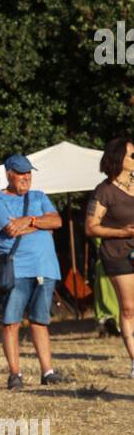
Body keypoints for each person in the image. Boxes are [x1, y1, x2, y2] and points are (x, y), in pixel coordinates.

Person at [0, 154, 65, 390]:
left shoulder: (39, 196)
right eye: (20, 173)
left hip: (45, 266)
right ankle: (15, 374)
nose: (26, 177)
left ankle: (48, 371)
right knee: (11, 322)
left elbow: (57, 221)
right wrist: (41, 224)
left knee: (40, 320)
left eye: (28, 173)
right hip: (16, 268)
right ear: (8, 174)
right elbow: (11, 230)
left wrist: (27, 220)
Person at [85, 137, 134, 376]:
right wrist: (121, 232)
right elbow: (91, 227)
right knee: (128, 308)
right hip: (117, 254)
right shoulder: (104, 191)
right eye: (132, 156)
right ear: (119, 160)